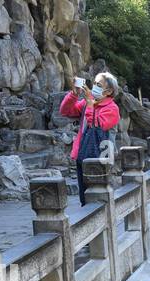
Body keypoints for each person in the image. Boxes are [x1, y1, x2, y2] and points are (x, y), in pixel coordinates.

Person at [59, 71, 120, 203]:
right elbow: (65, 111)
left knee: (99, 199)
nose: (93, 87)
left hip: (100, 158)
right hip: (83, 154)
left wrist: (90, 105)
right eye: (94, 84)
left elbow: (96, 126)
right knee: (84, 198)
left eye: (98, 85)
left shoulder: (112, 109)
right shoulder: (88, 103)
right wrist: (74, 94)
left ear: (108, 91)